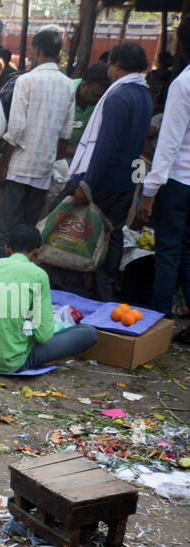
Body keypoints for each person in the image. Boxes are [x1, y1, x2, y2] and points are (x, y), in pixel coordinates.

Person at [48, 42, 152, 301]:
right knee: (111, 236)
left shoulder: (119, 96)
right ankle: (102, 292)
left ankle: (69, 290)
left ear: (116, 66)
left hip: (102, 180)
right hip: (125, 181)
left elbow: (105, 146)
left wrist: (87, 184)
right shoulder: (144, 95)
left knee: (64, 227)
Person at [0, 225, 97, 373]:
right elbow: (43, 336)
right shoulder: (38, 275)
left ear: (7, 249)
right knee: (88, 333)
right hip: (10, 363)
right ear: (36, 253)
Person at [0, 29, 75, 258]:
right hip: (43, 169)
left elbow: (16, 128)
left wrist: (3, 165)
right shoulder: (68, 85)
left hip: (19, 166)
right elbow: (66, 131)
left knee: (6, 228)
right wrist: (52, 159)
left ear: (37, 51)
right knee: (30, 230)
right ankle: (22, 276)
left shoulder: (27, 80)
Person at [136, 19, 190, 321]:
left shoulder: (184, 84)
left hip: (179, 181)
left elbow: (168, 143)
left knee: (168, 252)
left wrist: (149, 192)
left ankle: (158, 320)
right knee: (186, 250)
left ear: (181, 44)